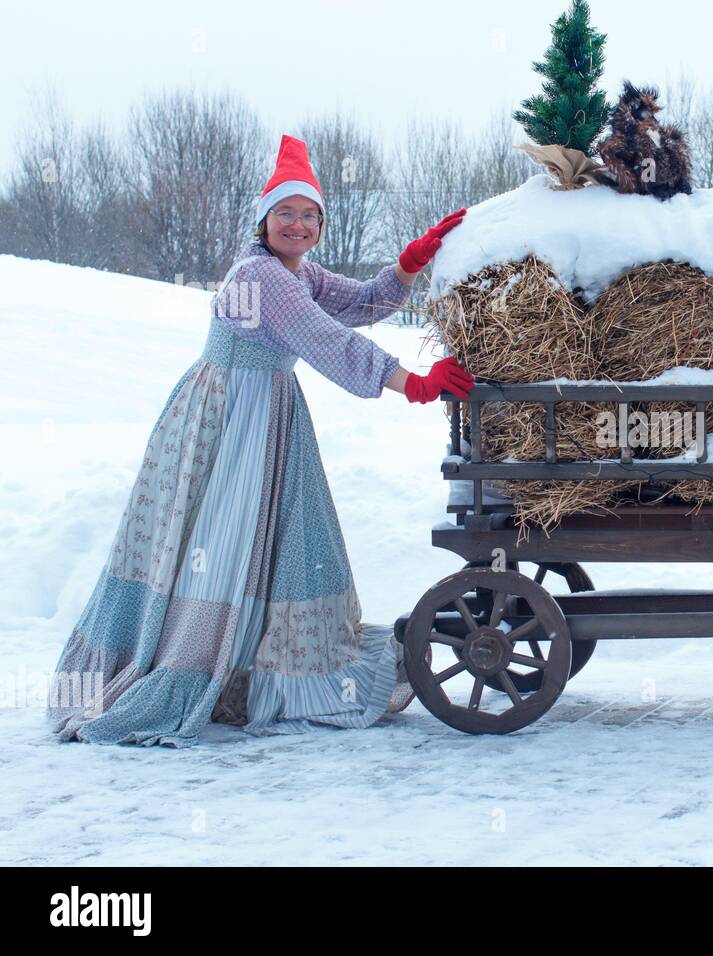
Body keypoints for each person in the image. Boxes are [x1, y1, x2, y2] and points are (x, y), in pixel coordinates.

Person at [47, 134, 474, 747]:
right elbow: (327, 340)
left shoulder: (293, 271)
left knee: (270, 543)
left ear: (319, 226)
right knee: (220, 543)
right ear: (264, 219)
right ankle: (194, 666)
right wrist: (412, 383)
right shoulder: (259, 276)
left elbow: (358, 304)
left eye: (309, 216)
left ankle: (250, 667)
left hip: (263, 417)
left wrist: (408, 264)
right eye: (285, 214)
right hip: (230, 425)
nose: (297, 225)